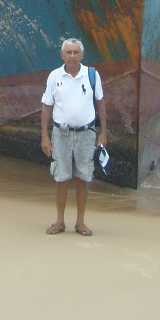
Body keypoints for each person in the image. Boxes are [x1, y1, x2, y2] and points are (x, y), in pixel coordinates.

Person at [40, 37, 107, 237]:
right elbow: (46, 107)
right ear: (62, 55)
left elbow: (101, 104)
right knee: (61, 179)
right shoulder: (54, 76)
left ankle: (80, 223)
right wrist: (44, 136)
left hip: (86, 134)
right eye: (68, 52)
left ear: (82, 55)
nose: (72, 56)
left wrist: (103, 132)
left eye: (75, 52)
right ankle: (60, 222)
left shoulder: (92, 75)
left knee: (82, 179)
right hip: (61, 134)